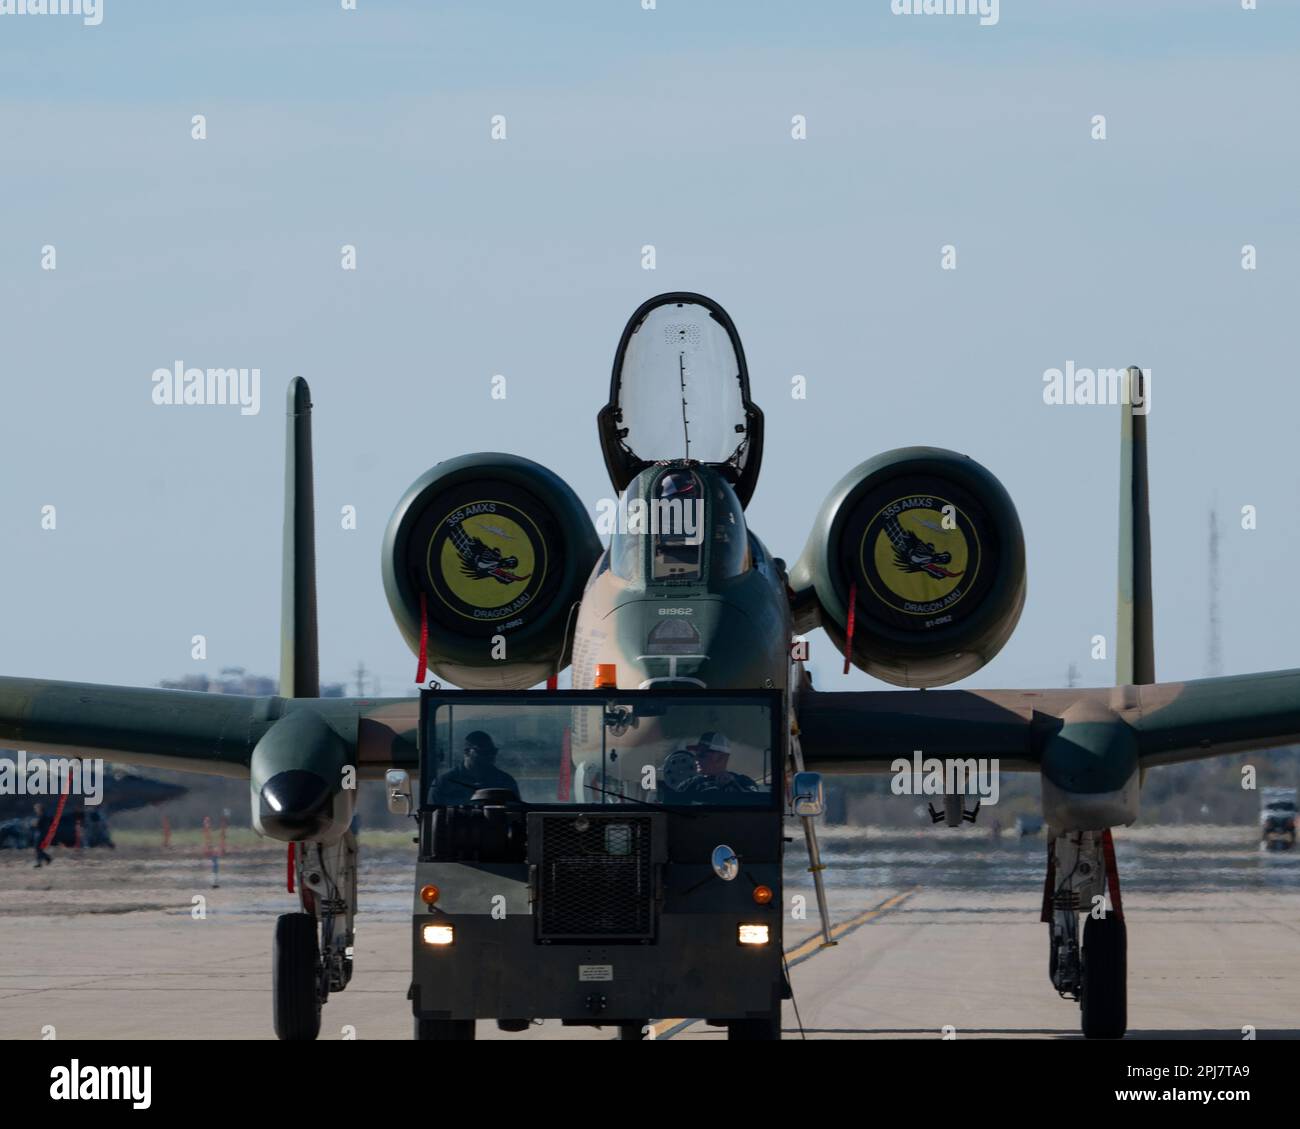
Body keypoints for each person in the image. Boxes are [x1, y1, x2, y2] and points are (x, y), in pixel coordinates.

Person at [429, 730, 520, 805]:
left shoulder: (505, 782)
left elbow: (516, 816)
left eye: (493, 751)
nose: (490, 756)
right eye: (483, 752)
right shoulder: (444, 783)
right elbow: (433, 818)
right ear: (466, 752)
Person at [678, 732, 759, 797]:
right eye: (696, 754)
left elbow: (754, 802)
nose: (696, 759)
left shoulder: (743, 781)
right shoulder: (689, 784)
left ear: (721, 758)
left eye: (702, 754)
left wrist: (734, 787)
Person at [31, 803, 54, 868]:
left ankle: (45, 860)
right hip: (42, 834)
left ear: (40, 809)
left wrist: (34, 823)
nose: (35, 810)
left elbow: (38, 824)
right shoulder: (42, 815)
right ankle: (45, 860)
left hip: (41, 834)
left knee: (37, 848)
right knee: (38, 849)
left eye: (36, 808)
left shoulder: (43, 816)